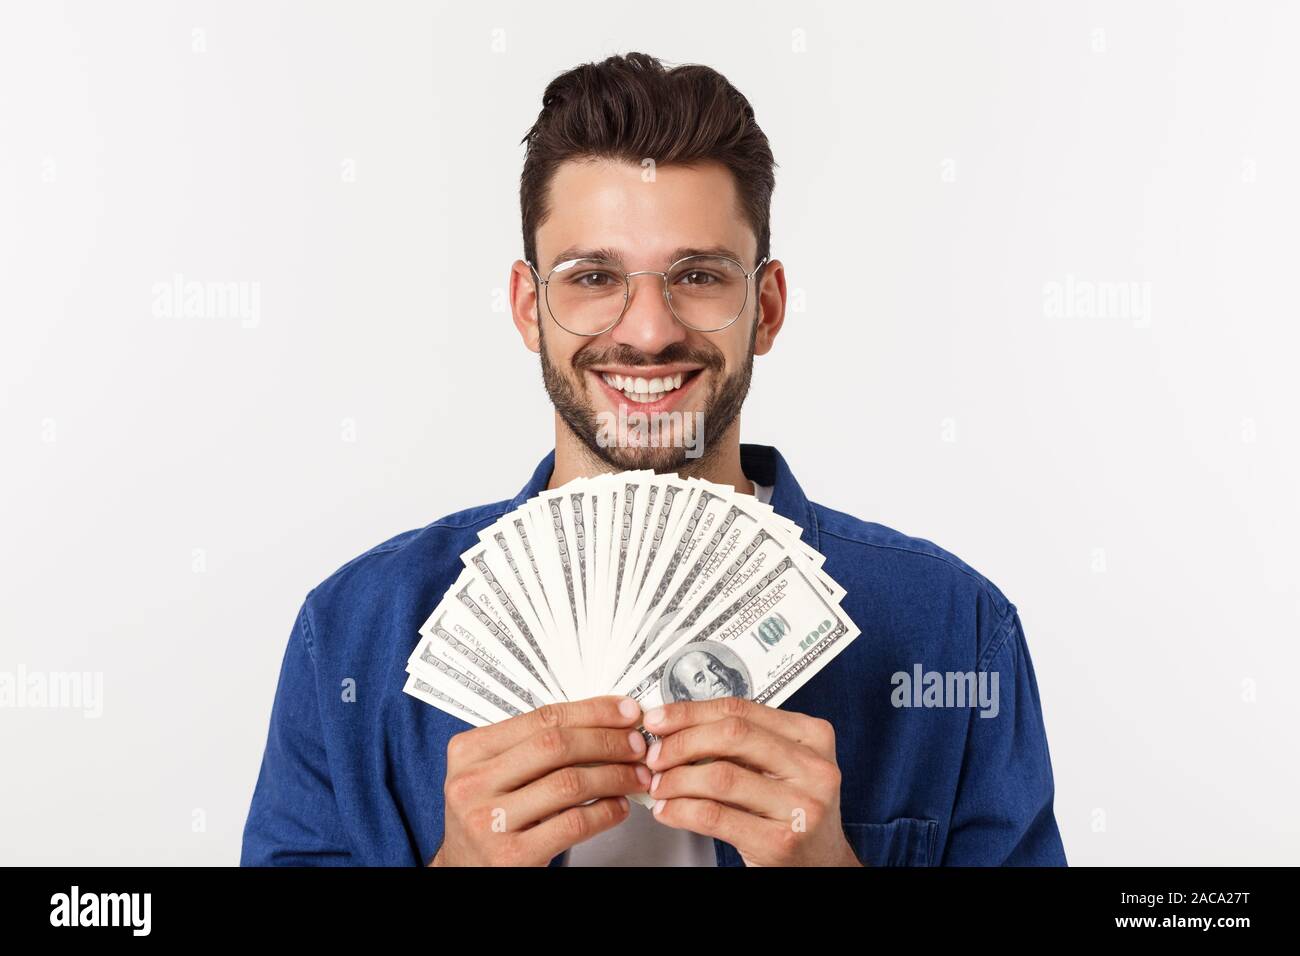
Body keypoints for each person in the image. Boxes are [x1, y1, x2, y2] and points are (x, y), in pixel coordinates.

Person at [240, 51, 1067, 868]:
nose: (646, 330)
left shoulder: (954, 632)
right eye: (593, 276)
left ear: (766, 307)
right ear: (531, 309)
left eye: (699, 275)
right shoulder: (351, 636)